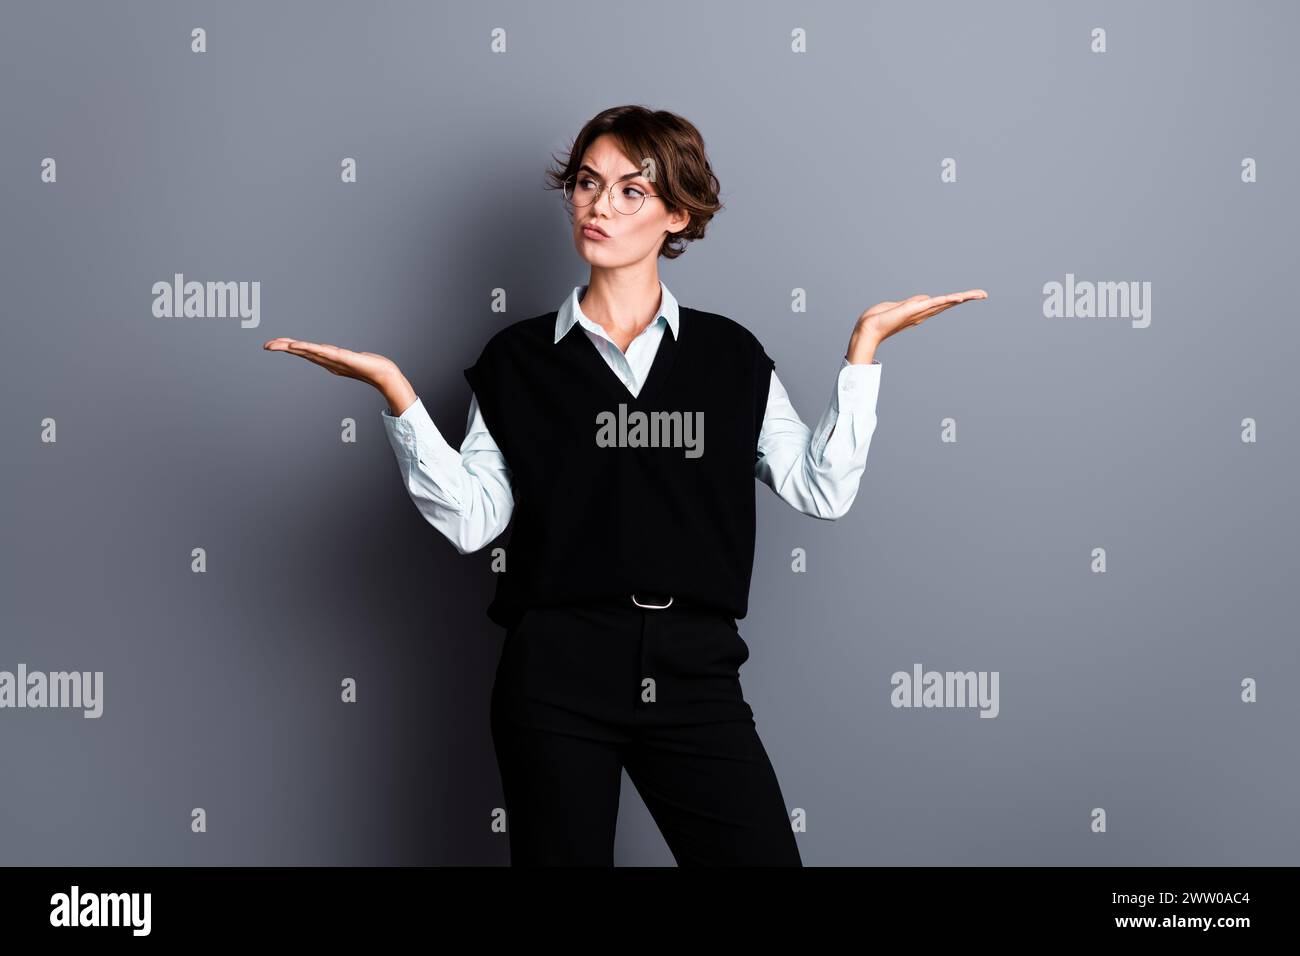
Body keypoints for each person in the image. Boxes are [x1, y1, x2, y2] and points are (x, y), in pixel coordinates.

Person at [265, 105, 987, 866]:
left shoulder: (729, 356)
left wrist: (863, 354)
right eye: (585, 183)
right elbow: (475, 520)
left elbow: (821, 490)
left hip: (695, 669)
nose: (599, 205)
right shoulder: (517, 360)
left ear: (677, 212)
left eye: (629, 190)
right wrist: (398, 397)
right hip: (554, 674)